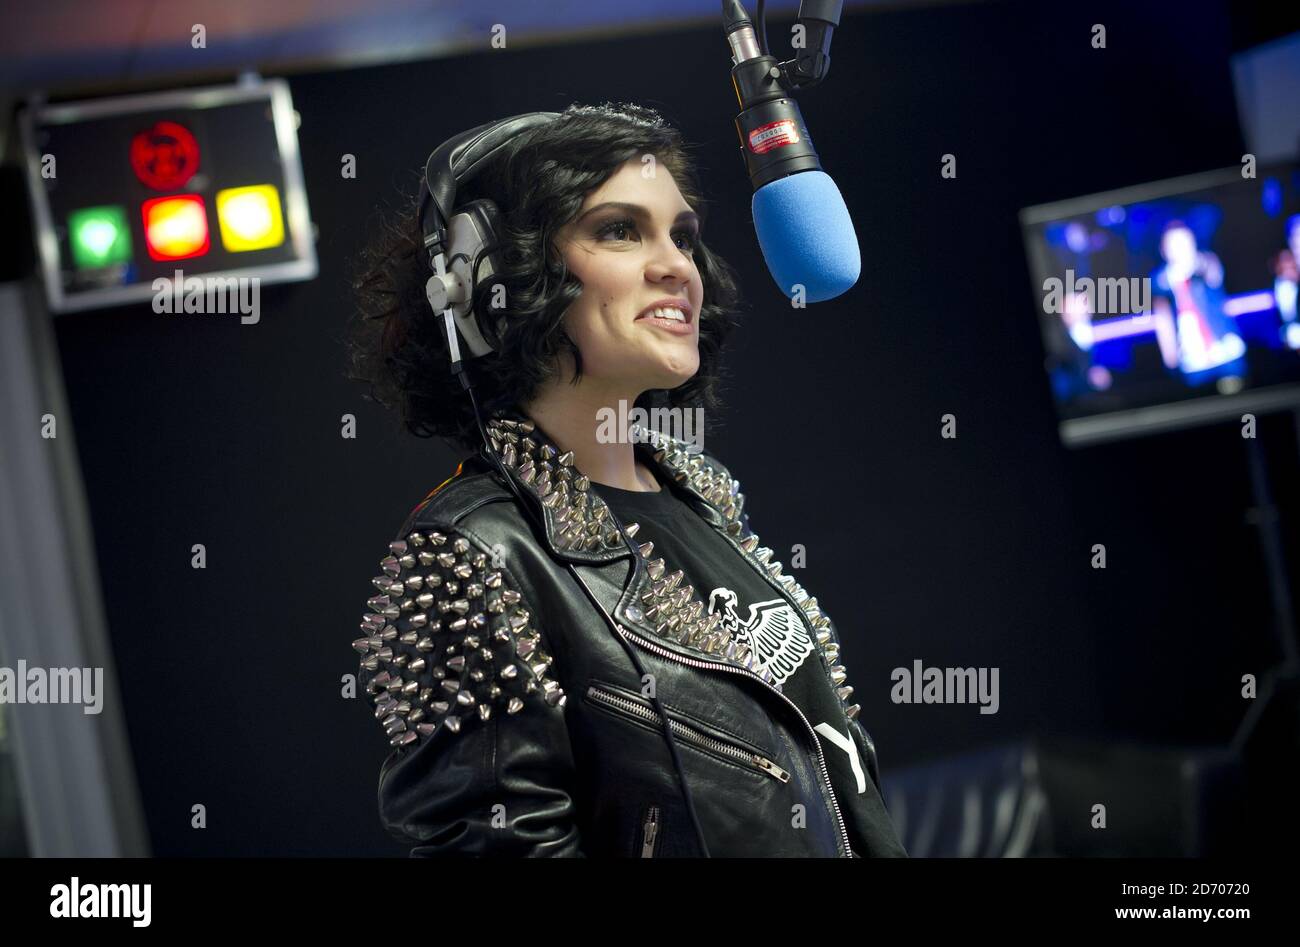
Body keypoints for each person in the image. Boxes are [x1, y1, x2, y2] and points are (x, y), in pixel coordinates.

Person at [345, 101, 907, 858]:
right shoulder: (468, 555)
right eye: (619, 229)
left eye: (683, 234)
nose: (678, 264)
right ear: (490, 279)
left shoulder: (701, 495)